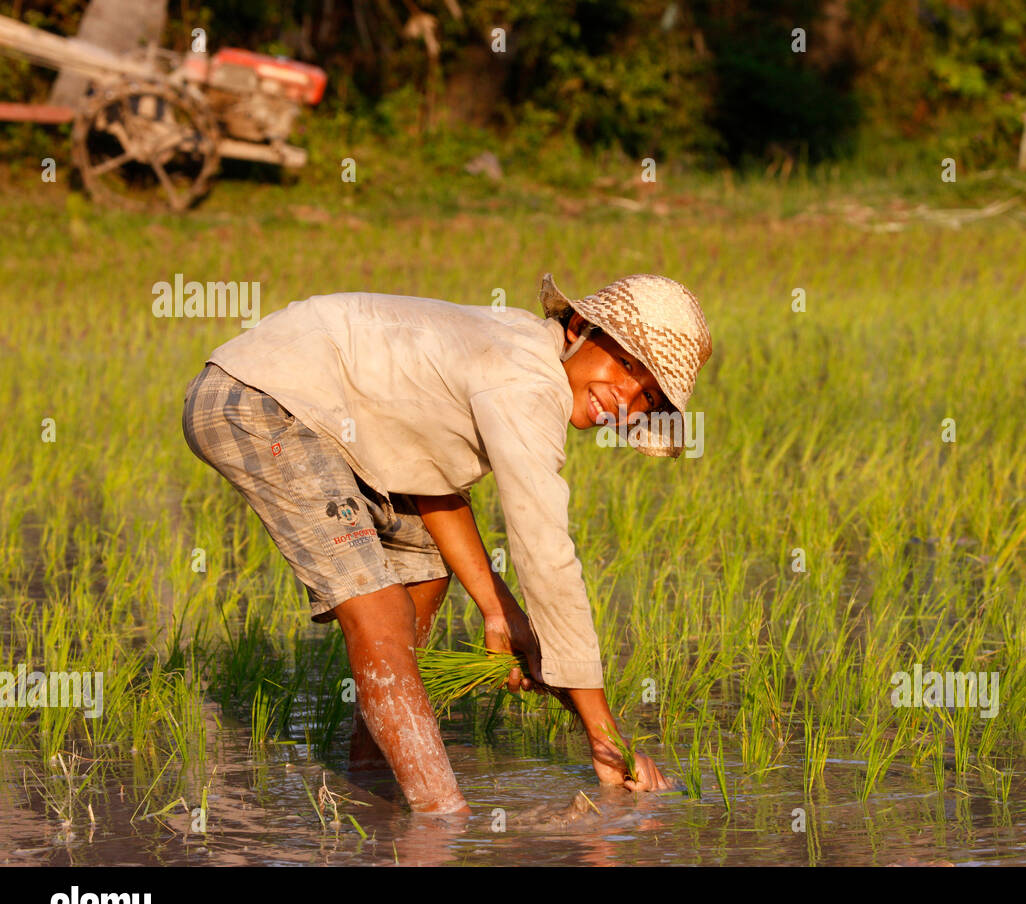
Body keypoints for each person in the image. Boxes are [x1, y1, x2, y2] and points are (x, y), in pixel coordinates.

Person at [180, 273, 712, 814]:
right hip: (260, 398)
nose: (624, 396)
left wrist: (501, 613)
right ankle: (440, 819)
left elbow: (433, 487)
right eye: (625, 365)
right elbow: (546, 552)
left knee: (425, 574)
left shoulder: (519, 352)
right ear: (579, 327)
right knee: (380, 606)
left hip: (329, 421)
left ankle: (374, 778)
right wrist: (606, 738)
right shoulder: (526, 381)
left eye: (647, 394)